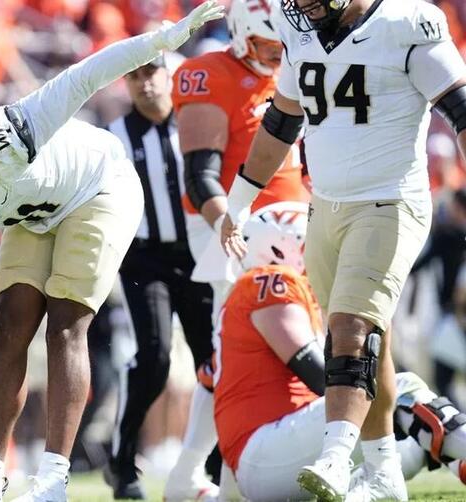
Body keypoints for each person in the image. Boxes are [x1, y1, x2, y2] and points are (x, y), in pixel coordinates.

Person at [0, 2, 226, 501]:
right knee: (8, 325)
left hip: (99, 186)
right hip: (34, 207)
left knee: (66, 323)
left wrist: (161, 42)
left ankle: (53, 480)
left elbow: (84, 76)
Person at [220, 0, 466, 498]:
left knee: (352, 330)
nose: (301, 5)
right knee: (356, 342)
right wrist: (239, 201)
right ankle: (382, 473)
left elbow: (461, 111)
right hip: (326, 205)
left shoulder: (405, 23)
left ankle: (335, 458)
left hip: (390, 201)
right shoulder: (299, 26)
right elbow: (281, 122)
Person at [212, 201, 466, 501]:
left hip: (267, 457)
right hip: (269, 446)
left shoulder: (244, 295)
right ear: (282, 248)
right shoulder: (271, 281)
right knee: (400, 389)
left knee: (405, 448)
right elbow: (317, 373)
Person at [165, 1, 311, 498]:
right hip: (237, 227)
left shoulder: (299, 68)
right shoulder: (207, 73)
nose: (277, 56)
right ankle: (209, 472)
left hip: (299, 230)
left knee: (246, 352)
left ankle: (215, 474)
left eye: (283, 46)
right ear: (244, 34)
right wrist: (230, 226)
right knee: (240, 351)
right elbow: (200, 175)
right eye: (270, 46)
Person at [102, 55, 215, 500]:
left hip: (196, 254)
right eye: (134, 75)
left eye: (151, 71)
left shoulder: (195, 121)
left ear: (170, 73)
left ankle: (219, 460)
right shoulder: (113, 139)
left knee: (213, 358)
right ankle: (122, 460)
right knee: (154, 357)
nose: (145, 83)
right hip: (143, 258)